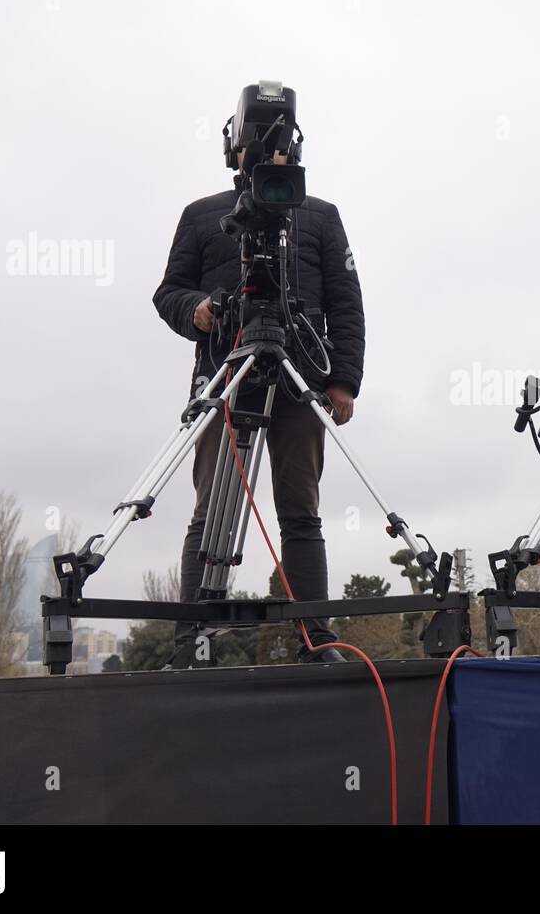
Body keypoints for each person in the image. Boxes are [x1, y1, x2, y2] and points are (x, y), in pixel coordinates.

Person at [152, 95, 364, 667]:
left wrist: (343, 382)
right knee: (208, 511)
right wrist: (197, 308)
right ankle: (192, 645)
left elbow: (346, 303)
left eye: (279, 139)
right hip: (226, 373)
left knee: (301, 509)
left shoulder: (321, 216)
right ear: (234, 148)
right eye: (257, 140)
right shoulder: (201, 215)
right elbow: (166, 292)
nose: (268, 151)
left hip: (301, 378)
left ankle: (318, 643)